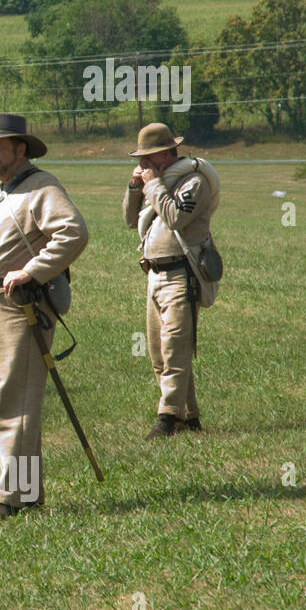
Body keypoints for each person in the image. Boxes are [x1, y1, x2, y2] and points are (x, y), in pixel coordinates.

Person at [0, 114, 88, 519]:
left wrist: (33, 271)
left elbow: (73, 233)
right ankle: (25, 490)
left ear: (20, 149)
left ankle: (9, 495)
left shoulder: (42, 187)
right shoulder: (2, 190)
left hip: (20, 306)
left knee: (16, 398)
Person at [123, 122, 220, 438]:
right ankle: (189, 417)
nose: (143, 164)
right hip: (154, 275)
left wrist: (152, 187)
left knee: (175, 349)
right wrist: (136, 187)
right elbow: (128, 219)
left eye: (148, 158)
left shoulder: (193, 182)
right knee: (159, 353)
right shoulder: (157, 184)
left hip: (182, 274)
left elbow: (176, 216)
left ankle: (167, 419)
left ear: (166, 154)